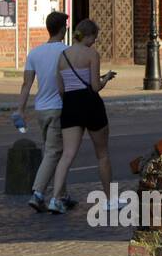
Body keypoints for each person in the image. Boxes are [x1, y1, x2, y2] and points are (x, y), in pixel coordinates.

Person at [47, 18, 116, 216]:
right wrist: (106, 78)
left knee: (67, 155)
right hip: (90, 104)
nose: (95, 41)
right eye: (95, 37)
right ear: (89, 36)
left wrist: (70, 100)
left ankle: (55, 199)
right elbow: (95, 87)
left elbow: (60, 88)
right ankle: (110, 199)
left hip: (70, 104)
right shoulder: (91, 54)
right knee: (102, 154)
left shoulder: (62, 56)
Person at [15, 11, 76, 214]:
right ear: (63, 29)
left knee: (56, 152)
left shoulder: (35, 53)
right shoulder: (67, 52)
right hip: (59, 107)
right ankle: (38, 193)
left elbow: (26, 84)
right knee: (54, 153)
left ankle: (62, 195)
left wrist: (20, 109)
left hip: (41, 108)